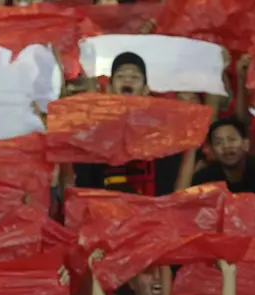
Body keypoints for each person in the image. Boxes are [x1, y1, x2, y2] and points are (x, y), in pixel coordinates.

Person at [74, 52, 189, 196]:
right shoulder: (93, 132)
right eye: (121, 76)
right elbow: (83, 187)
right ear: (109, 89)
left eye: (135, 77)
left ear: (146, 90)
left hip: (152, 213)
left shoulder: (163, 132)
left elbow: (175, 187)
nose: (128, 80)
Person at [190, 118, 255, 196]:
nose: (226, 146)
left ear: (246, 144)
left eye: (232, 139)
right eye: (218, 143)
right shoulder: (203, 181)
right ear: (212, 151)